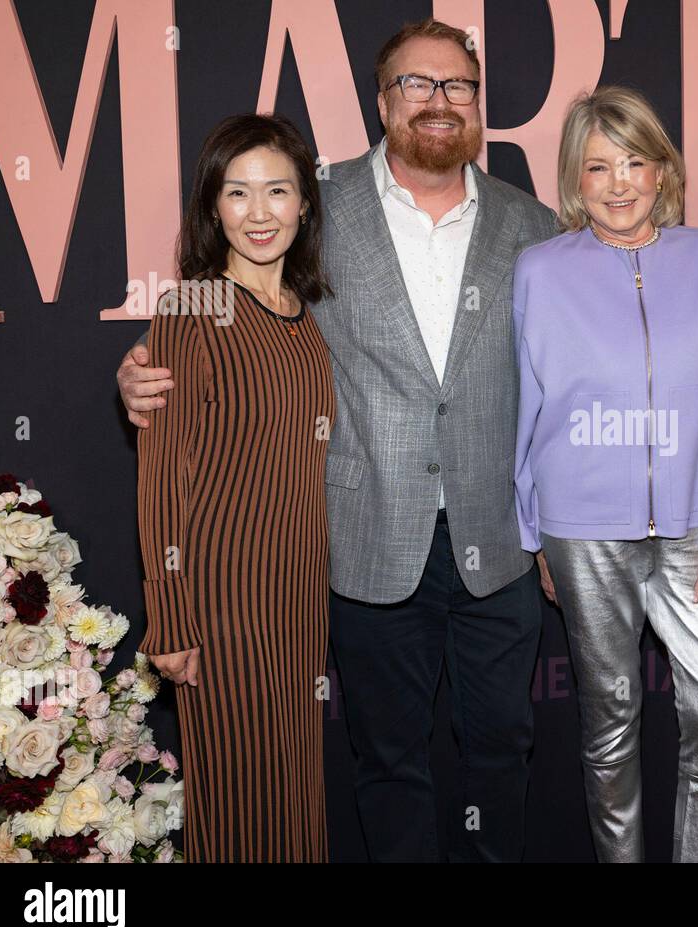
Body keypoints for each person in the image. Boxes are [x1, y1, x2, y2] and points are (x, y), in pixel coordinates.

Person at [119, 18, 558, 862]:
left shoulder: (533, 225)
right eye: (414, 84)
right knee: (386, 764)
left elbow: (569, 377)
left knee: (502, 753)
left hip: (498, 541)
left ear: (477, 103)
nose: (437, 101)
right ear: (381, 100)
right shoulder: (319, 201)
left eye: (456, 85)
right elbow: (230, 298)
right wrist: (137, 367)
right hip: (362, 541)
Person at [514, 86, 698, 862]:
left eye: (635, 161)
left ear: (664, 171)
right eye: (599, 167)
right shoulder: (540, 271)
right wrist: (534, 535)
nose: (619, 182)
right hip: (581, 529)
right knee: (610, 717)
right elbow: (528, 405)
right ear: (574, 180)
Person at [137, 113, 333, 861]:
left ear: (304, 203)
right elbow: (161, 477)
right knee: (234, 804)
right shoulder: (190, 310)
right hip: (219, 602)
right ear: (211, 208)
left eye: (277, 191)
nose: (258, 214)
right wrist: (171, 614)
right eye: (237, 193)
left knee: (295, 791)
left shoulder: (303, 319)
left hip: (298, 599)